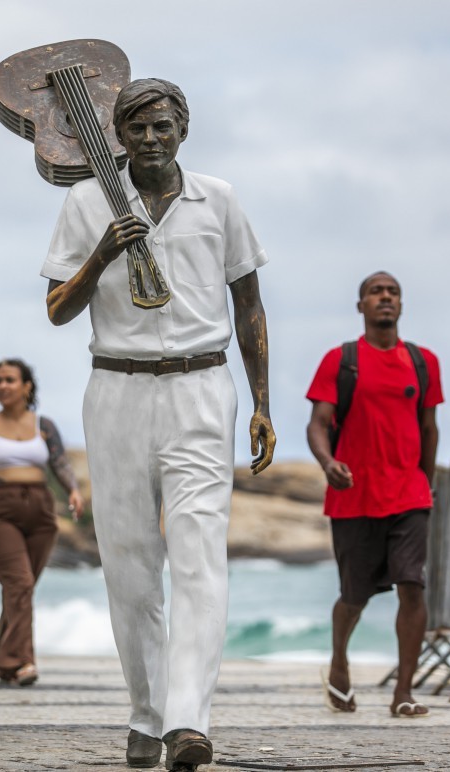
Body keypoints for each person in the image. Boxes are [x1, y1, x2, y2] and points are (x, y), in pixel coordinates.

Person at [41, 78, 275, 770]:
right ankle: (147, 713)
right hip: (116, 387)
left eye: (163, 126)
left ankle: (187, 722)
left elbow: (250, 305)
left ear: (183, 129)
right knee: (132, 568)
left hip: (204, 386)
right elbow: (56, 308)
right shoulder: (85, 202)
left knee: (202, 556)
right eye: (137, 128)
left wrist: (262, 401)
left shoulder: (219, 199)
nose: (151, 138)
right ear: (118, 135)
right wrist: (104, 254)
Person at [306, 271, 442, 718]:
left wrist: (426, 483)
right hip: (354, 497)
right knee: (354, 596)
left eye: (393, 292)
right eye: (376, 292)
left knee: (412, 587)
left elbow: (428, 428)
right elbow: (318, 424)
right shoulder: (340, 361)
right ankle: (339, 664)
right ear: (361, 305)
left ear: (401, 305)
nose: (386, 297)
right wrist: (329, 464)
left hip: (408, 493)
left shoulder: (424, 362)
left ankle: (403, 692)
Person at [0, 358, 84, 686]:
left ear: (27, 386)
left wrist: (73, 490)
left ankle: (5, 663)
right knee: (20, 584)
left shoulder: (43, 424)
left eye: (10, 380)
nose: (2, 386)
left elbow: (59, 462)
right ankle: (22, 661)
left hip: (41, 511)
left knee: (19, 588)